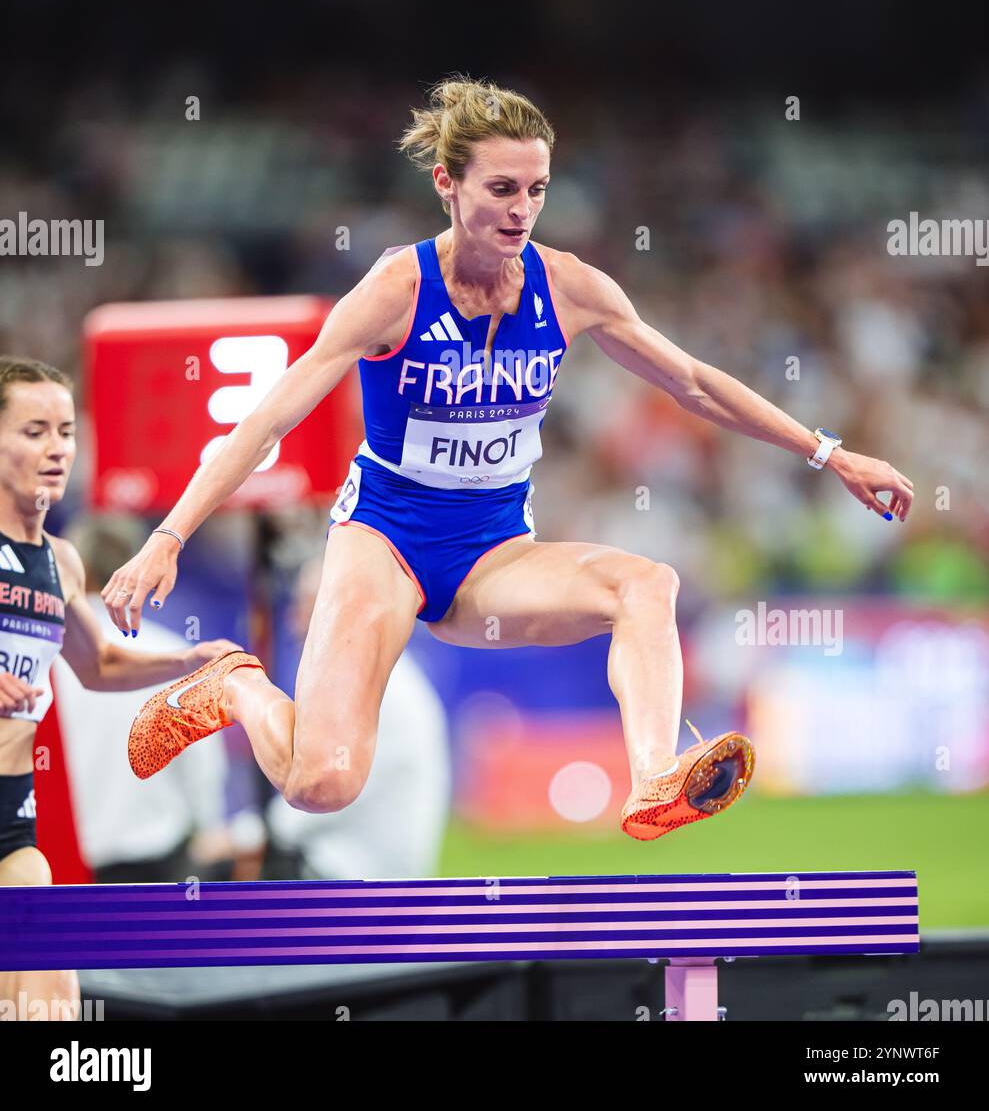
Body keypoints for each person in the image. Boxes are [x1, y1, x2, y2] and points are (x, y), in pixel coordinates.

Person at [103, 77, 914, 842]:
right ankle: (234, 683)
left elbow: (694, 383)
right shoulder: (396, 290)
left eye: (536, 190)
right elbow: (269, 418)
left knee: (647, 585)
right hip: (383, 540)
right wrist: (168, 537)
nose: (522, 209)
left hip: (492, 551)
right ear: (446, 184)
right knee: (323, 783)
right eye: (501, 188)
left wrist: (828, 453)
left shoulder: (569, 288)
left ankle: (653, 776)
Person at [0, 356, 254, 1020]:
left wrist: (188, 661)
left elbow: (100, 667)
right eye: (34, 432)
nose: (57, 449)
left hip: (15, 825)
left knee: (48, 1006)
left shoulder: (59, 561)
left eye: (65, 432)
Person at [51, 514, 230, 883]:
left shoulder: (44, 659)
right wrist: (209, 826)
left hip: (64, 858)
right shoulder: (173, 655)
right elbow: (202, 762)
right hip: (157, 859)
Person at [264, 553, 450, 879]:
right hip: (365, 864)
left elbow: (321, 791)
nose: (293, 621)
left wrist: (252, 834)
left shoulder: (363, 681)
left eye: (305, 606)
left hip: (349, 872)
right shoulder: (384, 672)